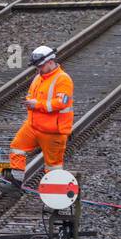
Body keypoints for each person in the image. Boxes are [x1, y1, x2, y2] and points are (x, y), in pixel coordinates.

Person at [7, 46, 74, 189]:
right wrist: (30, 101)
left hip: (52, 131)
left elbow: (61, 103)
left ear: (50, 62)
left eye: (41, 66)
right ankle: (15, 184)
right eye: (37, 67)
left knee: (53, 166)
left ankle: (55, 198)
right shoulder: (39, 77)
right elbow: (31, 95)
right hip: (33, 126)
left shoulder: (63, 79)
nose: (38, 69)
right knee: (17, 148)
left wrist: (37, 105)